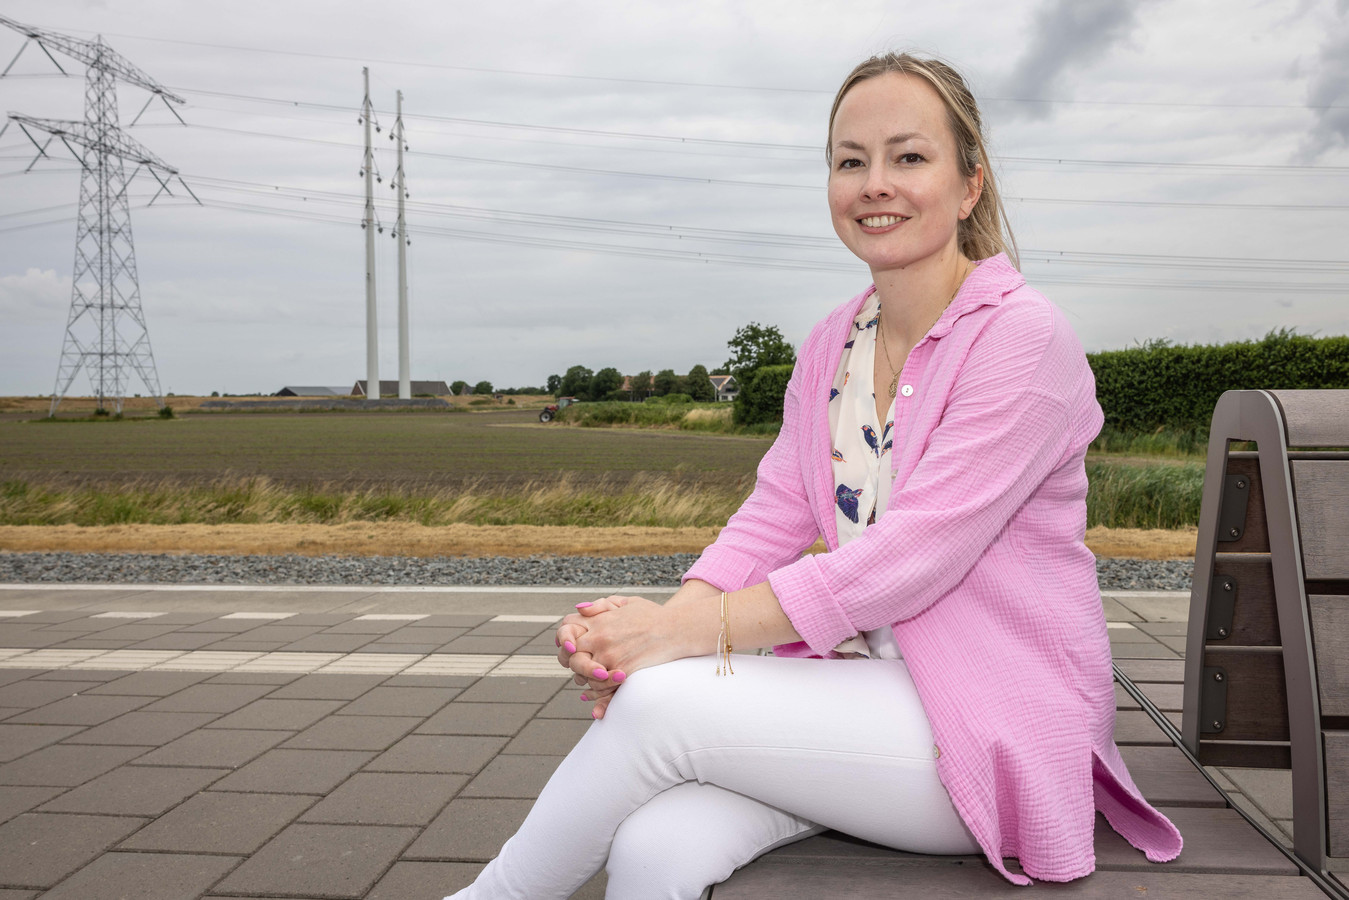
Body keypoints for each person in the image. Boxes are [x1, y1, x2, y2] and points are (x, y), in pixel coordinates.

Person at [446, 51, 1182, 900]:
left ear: (969, 185)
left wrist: (674, 646)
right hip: (855, 701)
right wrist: (656, 636)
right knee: (654, 848)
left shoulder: (1022, 339)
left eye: (909, 157)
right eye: (849, 161)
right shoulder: (833, 343)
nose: (875, 183)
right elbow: (773, 513)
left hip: (985, 728)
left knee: (660, 712)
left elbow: (911, 556)